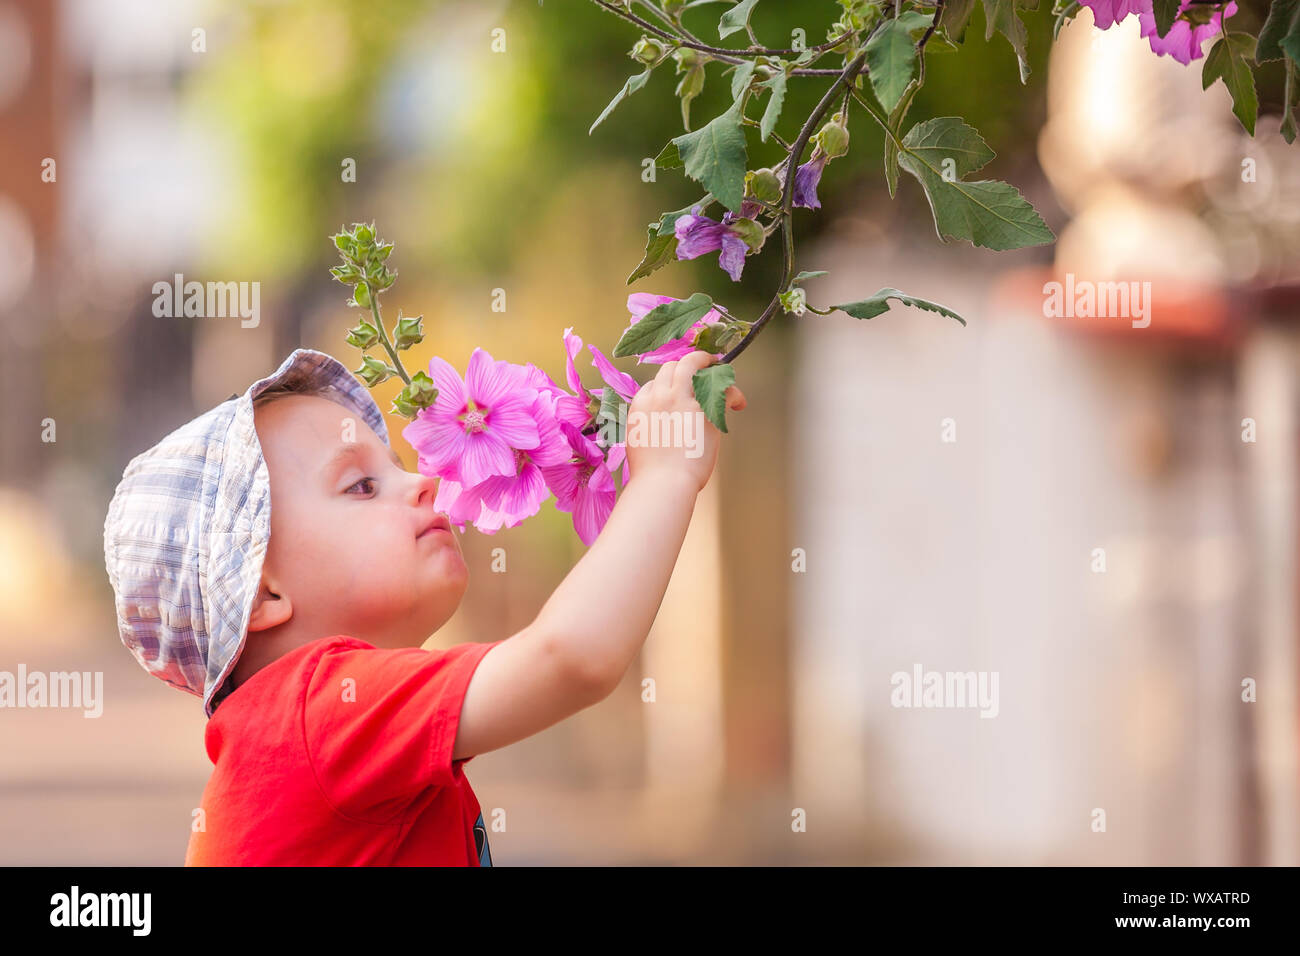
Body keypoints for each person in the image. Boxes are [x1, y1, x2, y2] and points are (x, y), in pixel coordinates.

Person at [102, 346, 745, 865]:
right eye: (362, 485)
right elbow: (572, 658)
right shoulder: (317, 714)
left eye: (400, 464)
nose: (425, 482)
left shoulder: (313, 725)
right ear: (265, 591)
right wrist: (664, 476)